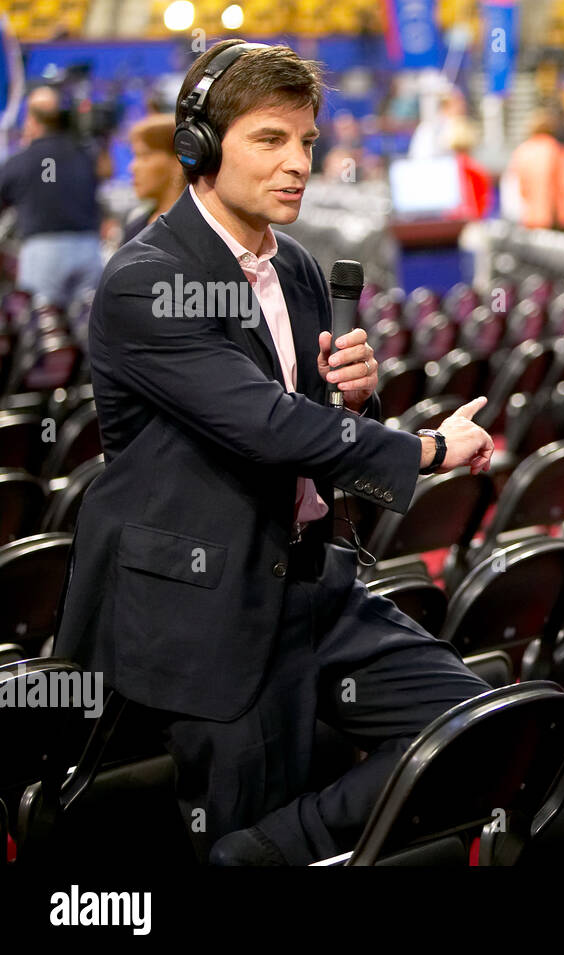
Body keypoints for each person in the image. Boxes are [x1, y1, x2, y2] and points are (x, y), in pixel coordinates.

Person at [52, 39, 497, 866]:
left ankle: (261, 854)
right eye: (270, 139)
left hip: (315, 584)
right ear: (200, 147)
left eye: (307, 142)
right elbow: (266, 426)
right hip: (211, 611)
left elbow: (306, 418)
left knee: (481, 731)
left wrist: (354, 399)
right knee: (245, 803)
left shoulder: (290, 264)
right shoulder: (144, 281)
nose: (298, 163)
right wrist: (428, 446)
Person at [0, 86, 108, 311]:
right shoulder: (86, 155)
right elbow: (106, 173)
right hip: (88, 248)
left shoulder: (20, 161)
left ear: (31, 119)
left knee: (44, 329)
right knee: (86, 325)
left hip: (42, 254)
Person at [501, 108, 564, 231]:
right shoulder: (560, 151)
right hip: (556, 216)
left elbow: (516, 185)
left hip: (530, 216)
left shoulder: (522, 151)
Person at [121, 113, 187, 244]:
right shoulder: (135, 228)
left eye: (144, 156)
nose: (132, 167)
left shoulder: (200, 228)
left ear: (177, 162)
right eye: (134, 156)